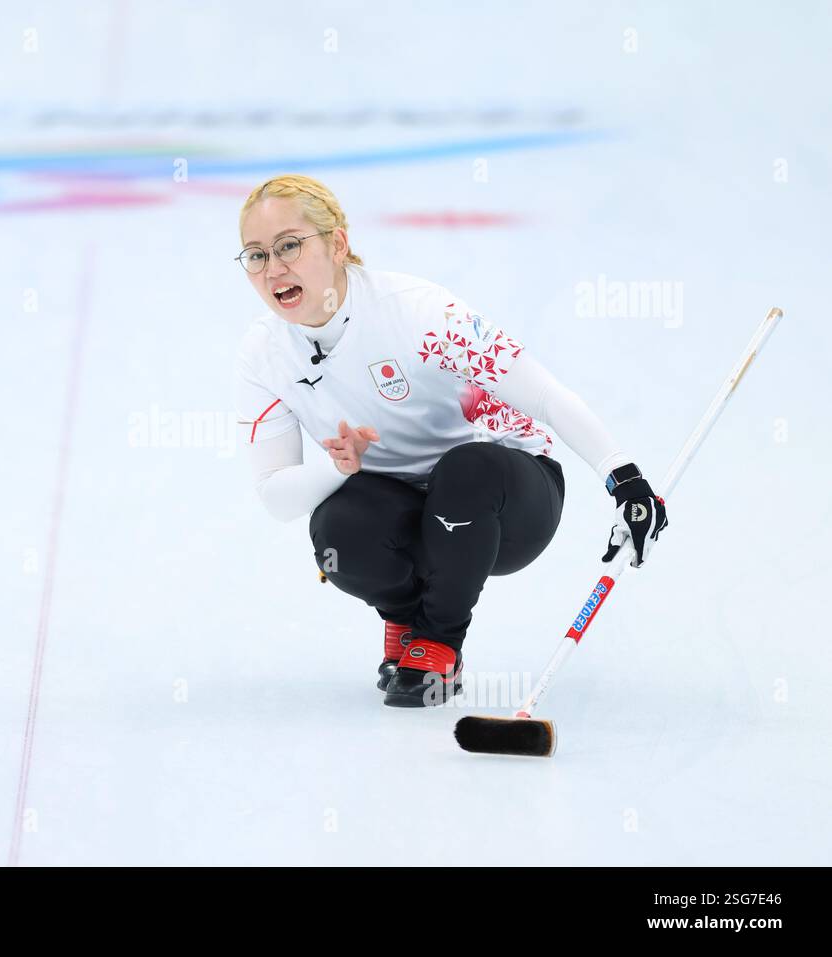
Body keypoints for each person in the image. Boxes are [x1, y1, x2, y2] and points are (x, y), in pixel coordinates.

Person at [233, 174, 668, 708]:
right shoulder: (264, 353)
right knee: (337, 530)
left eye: (289, 246)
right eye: (255, 255)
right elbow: (276, 495)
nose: (274, 269)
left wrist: (624, 478)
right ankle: (405, 619)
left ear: (337, 244)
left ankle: (440, 641)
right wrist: (337, 469)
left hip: (506, 502)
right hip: (405, 508)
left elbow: (544, 395)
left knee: (466, 470)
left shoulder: (420, 312)